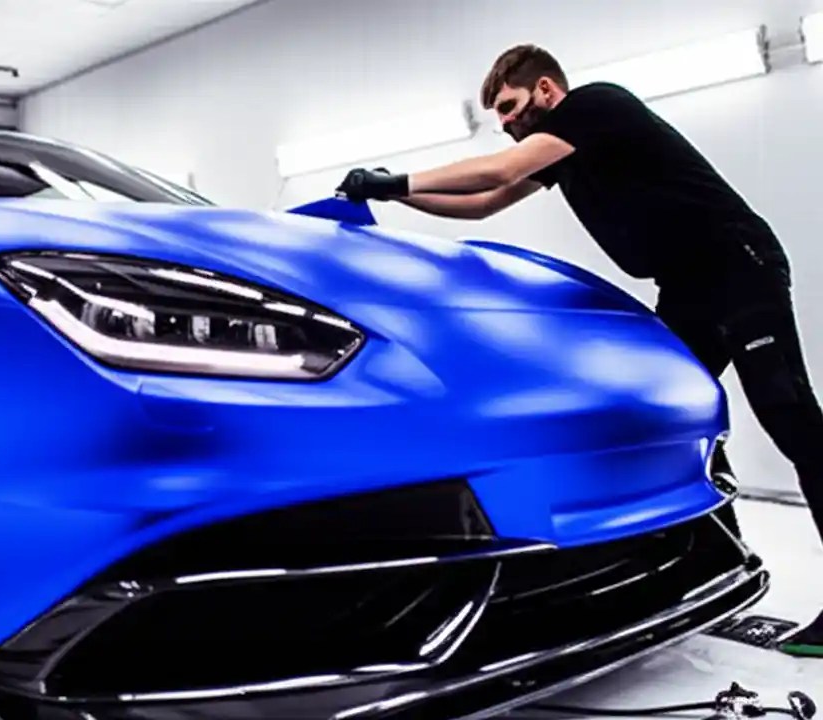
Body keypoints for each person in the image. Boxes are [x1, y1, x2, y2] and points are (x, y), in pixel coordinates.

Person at [335, 44, 823, 658]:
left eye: (512, 109)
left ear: (544, 90)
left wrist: (393, 177)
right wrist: (388, 198)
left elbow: (497, 172)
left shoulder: (596, 106)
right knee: (657, 420)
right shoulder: (564, 157)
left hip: (736, 264)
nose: (509, 124)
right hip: (688, 286)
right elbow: (484, 204)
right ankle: (689, 564)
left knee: (792, 419)